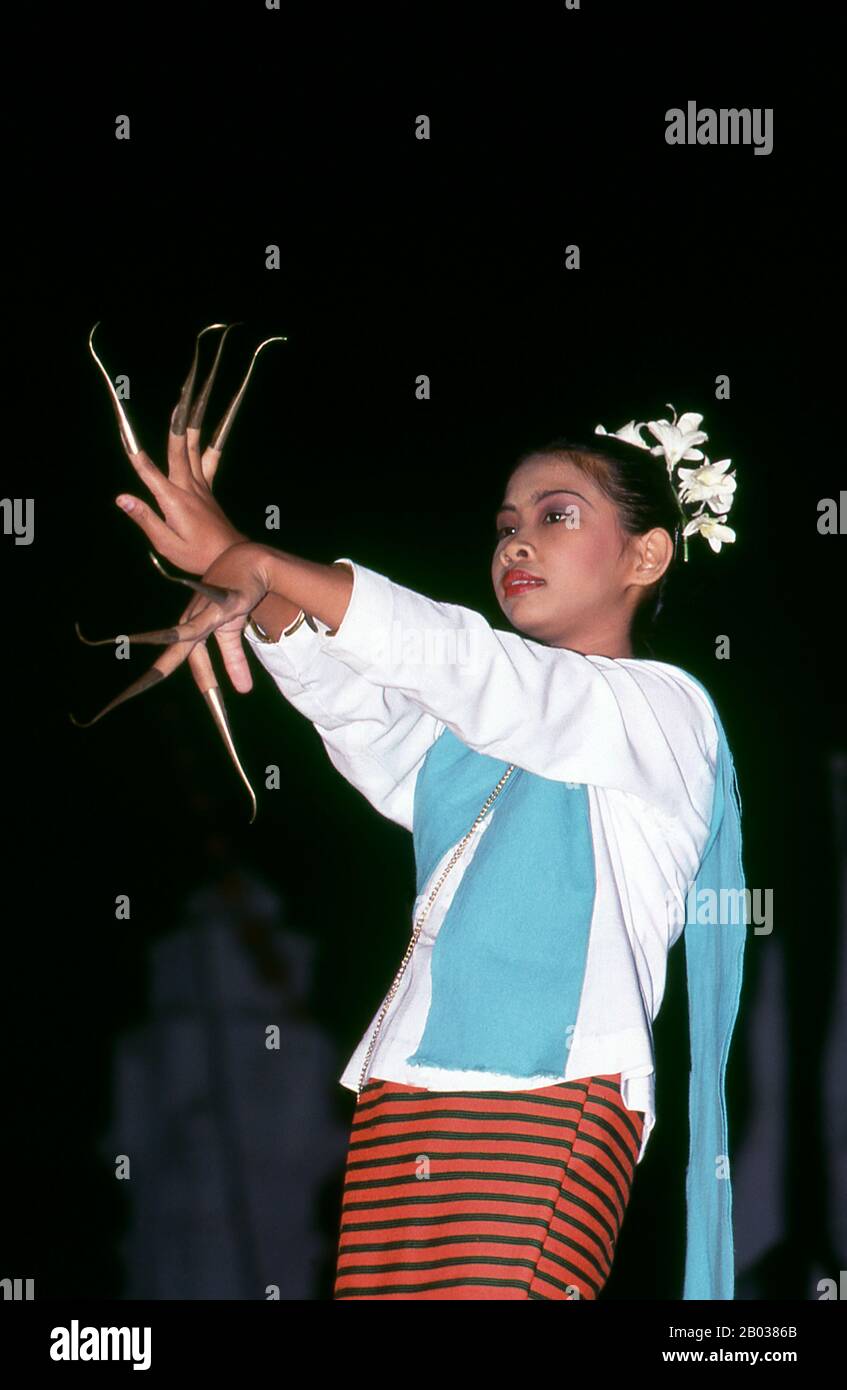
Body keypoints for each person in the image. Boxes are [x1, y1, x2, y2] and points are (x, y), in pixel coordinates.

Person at [83, 346, 747, 1299]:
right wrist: (259, 589)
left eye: (557, 517)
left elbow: (460, 663)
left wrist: (263, 561)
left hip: (549, 1097)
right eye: (506, 525)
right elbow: (368, 715)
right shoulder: (480, 741)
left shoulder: (660, 713)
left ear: (646, 555)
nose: (516, 542)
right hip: (406, 1094)